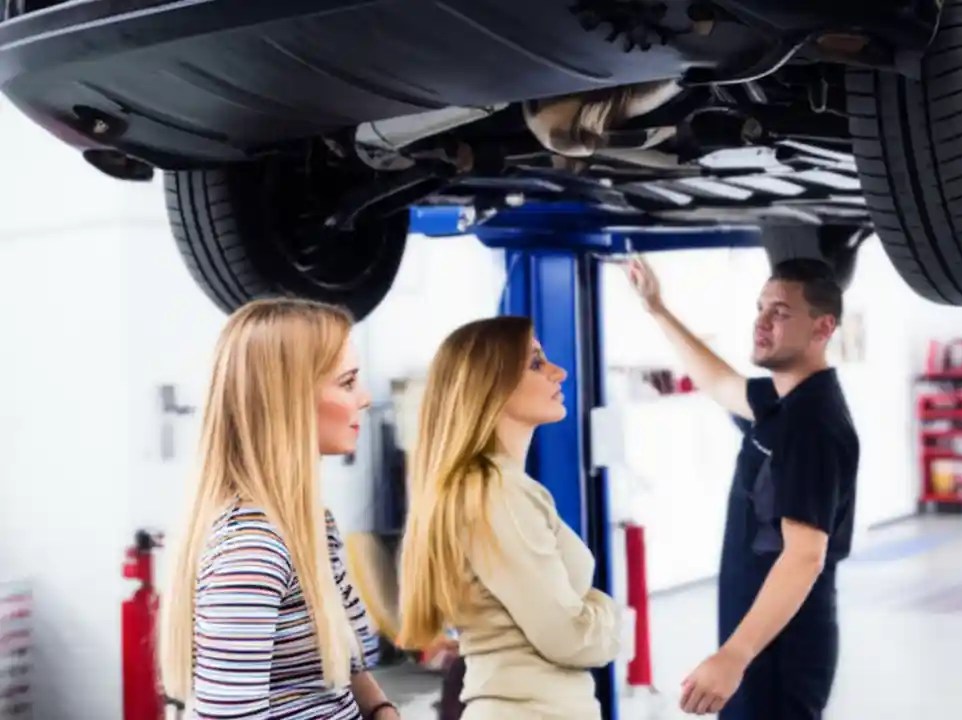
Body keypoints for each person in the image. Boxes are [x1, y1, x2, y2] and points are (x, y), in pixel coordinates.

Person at [626, 255, 859, 719]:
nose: (762, 322)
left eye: (781, 312)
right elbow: (719, 381)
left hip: (780, 652)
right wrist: (657, 308)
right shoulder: (782, 402)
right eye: (760, 308)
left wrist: (736, 654)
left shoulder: (811, 425)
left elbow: (805, 555)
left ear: (822, 327)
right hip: (761, 640)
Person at [158, 298, 399, 720]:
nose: (364, 399)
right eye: (347, 383)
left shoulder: (312, 526)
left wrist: (381, 710)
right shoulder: (252, 550)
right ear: (289, 401)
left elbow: (340, 661)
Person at [397, 317, 622, 720]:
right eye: (536, 363)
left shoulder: (488, 487)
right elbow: (568, 638)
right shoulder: (498, 491)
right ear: (491, 386)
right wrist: (608, 613)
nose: (560, 372)